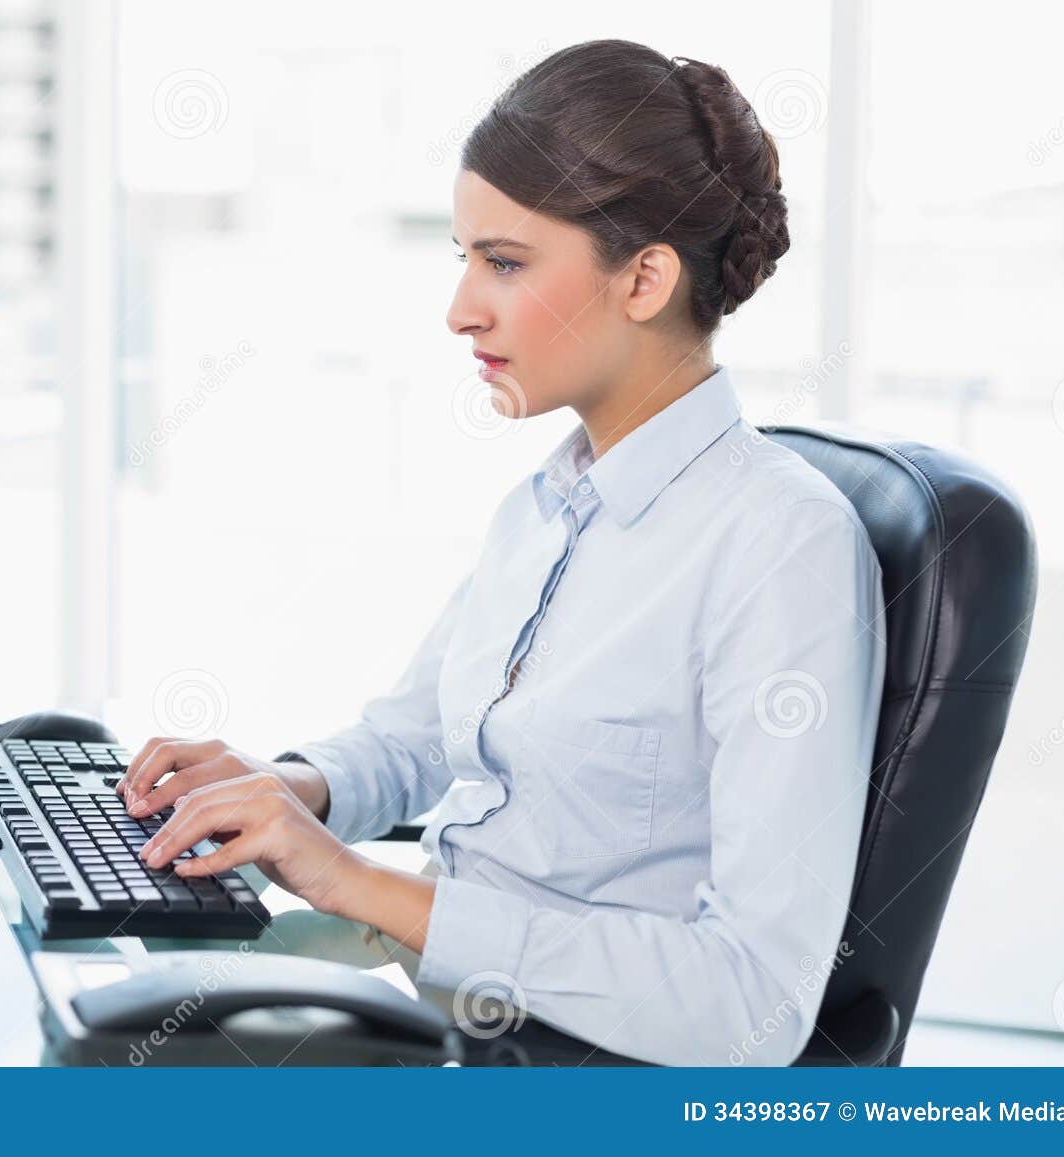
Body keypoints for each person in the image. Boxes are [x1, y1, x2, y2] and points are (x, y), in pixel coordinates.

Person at [114, 39, 885, 1066]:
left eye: (506, 262)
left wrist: (353, 880)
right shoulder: (552, 501)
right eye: (464, 257)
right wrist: (284, 787)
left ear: (644, 278)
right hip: (437, 998)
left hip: (560, 1061)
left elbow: (749, 1001)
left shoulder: (781, 547)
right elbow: (417, 739)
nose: (460, 308)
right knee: (97, 1007)